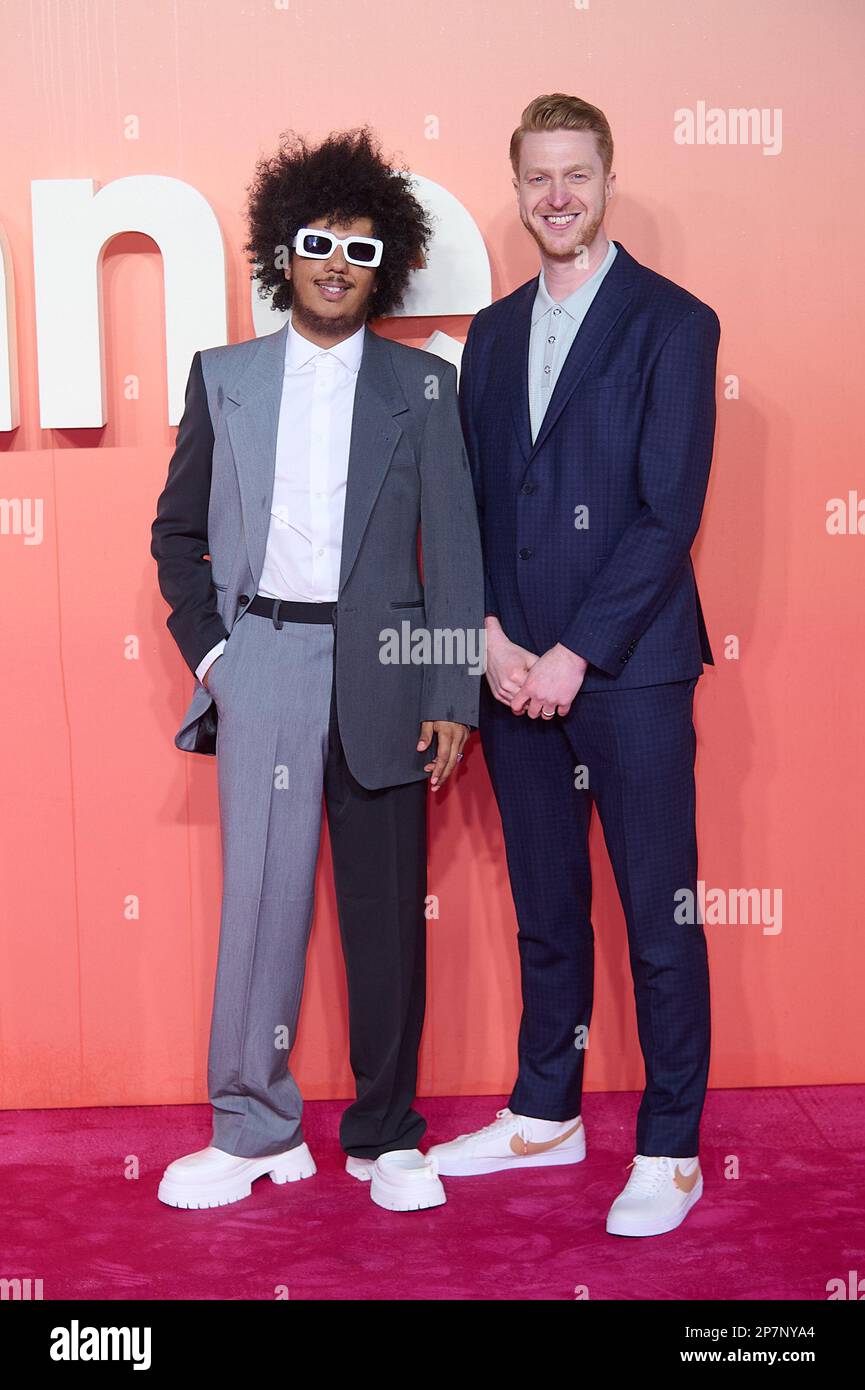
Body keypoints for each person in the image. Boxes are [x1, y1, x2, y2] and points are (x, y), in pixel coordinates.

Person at [150, 127, 484, 1214]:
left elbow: (457, 552)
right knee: (258, 907)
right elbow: (174, 534)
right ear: (279, 255)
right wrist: (218, 659)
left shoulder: (424, 387)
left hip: (388, 665)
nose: (337, 263)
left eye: (359, 247)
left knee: (388, 913)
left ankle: (387, 1135)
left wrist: (448, 694)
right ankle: (254, 1127)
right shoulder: (225, 377)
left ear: (384, 261)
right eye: (316, 243)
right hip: (266, 660)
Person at [428, 94, 720, 1238]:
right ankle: (545, 1111)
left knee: (659, 917)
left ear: (607, 179)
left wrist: (575, 652)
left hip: (629, 672)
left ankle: (671, 1145)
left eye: (577, 176)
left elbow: (666, 511)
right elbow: (473, 508)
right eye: (538, 177)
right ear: (517, 188)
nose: (557, 197)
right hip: (511, 677)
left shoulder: (673, 321)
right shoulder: (491, 334)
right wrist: (491, 636)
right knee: (545, 911)